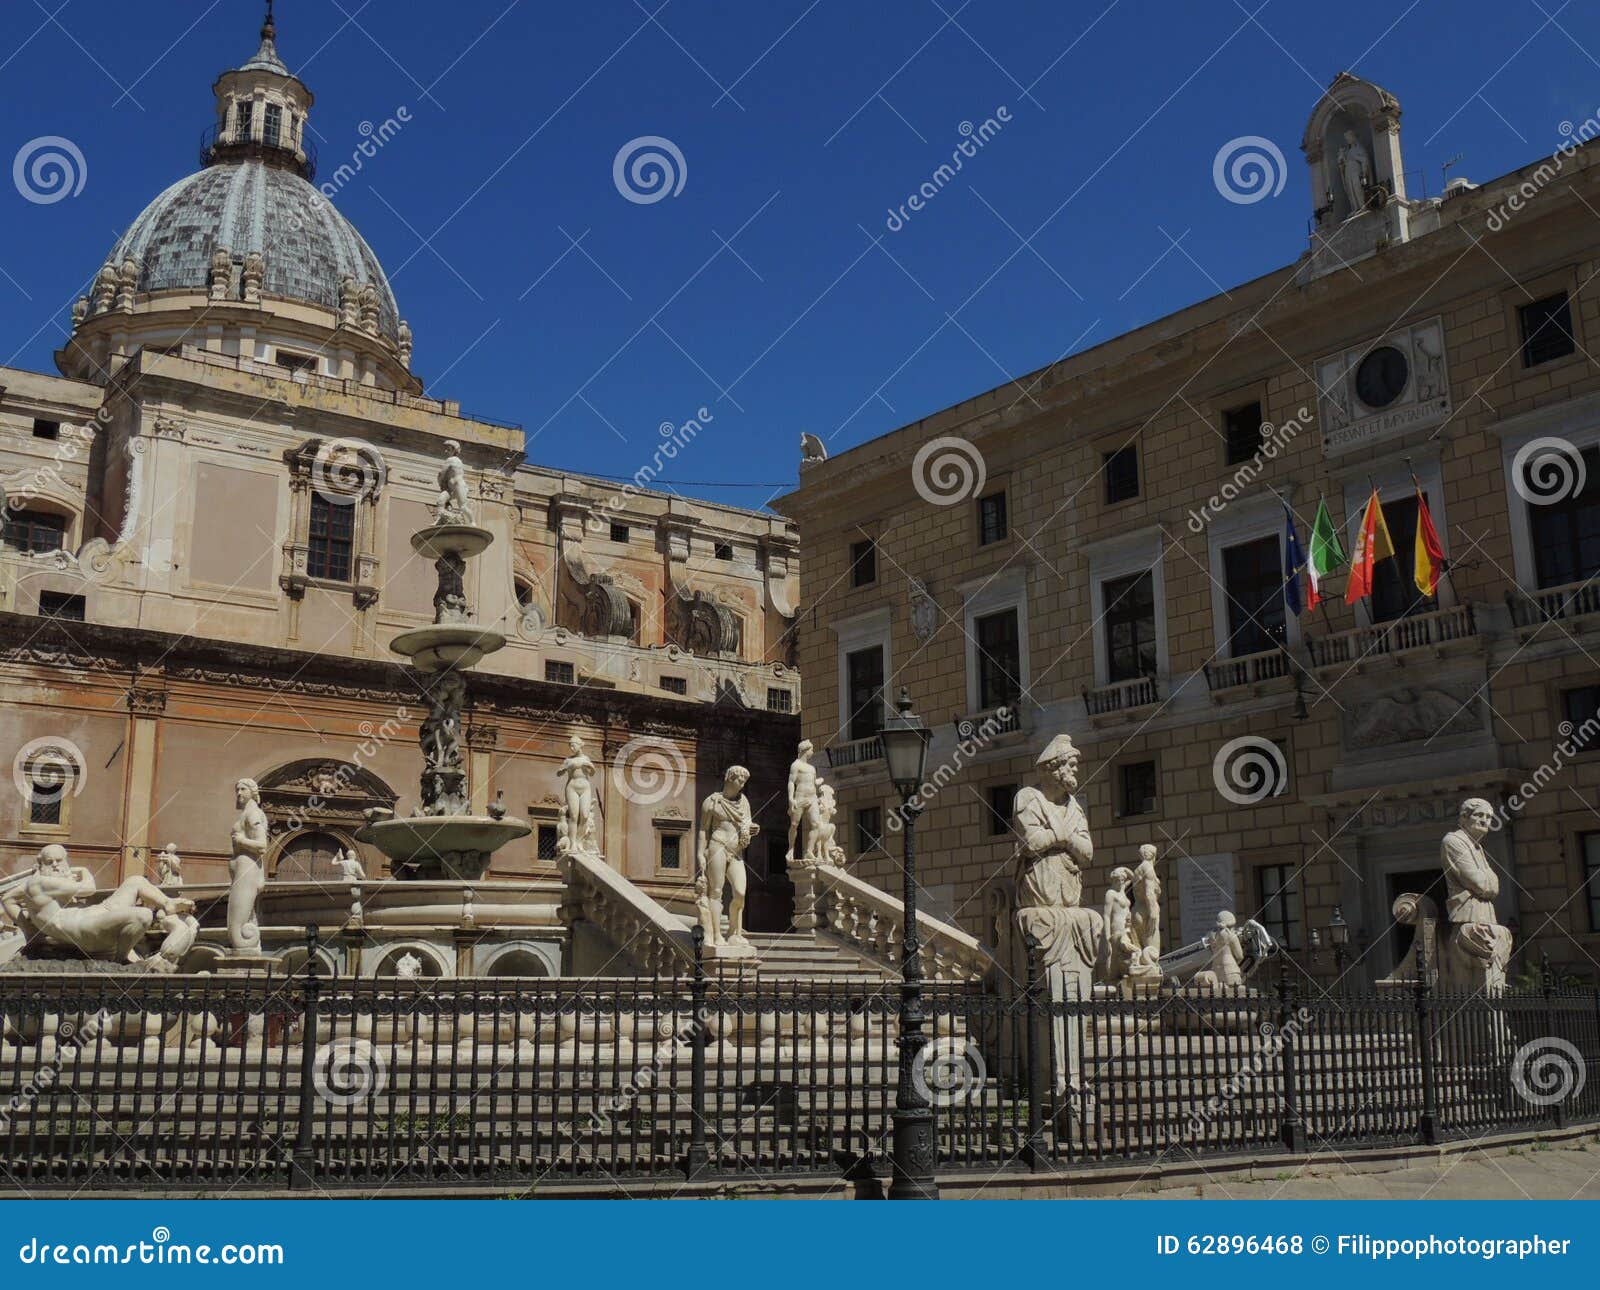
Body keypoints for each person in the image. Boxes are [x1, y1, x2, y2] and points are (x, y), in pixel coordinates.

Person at [11, 844, 197, 970]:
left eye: (59, 861)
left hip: (92, 915)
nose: (56, 866)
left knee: (135, 881)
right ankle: (120, 960)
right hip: (83, 930)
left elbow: (8, 898)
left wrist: (30, 933)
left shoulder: (35, 884)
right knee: (143, 915)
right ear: (40, 863)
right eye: (49, 862)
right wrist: (83, 871)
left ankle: (168, 903)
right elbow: (89, 888)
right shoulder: (40, 882)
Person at [697, 766, 760, 947]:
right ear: (729, 779)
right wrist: (700, 854)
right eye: (739, 781)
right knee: (716, 891)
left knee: (740, 893)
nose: (741, 785)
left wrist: (752, 829)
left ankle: (734, 933)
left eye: (744, 782)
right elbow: (703, 830)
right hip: (717, 846)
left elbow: (747, 825)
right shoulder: (712, 802)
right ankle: (716, 935)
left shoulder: (744, 802)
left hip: (736, 851)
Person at [229, 778, 269, 952]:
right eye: (237, 790)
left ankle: (246, 951)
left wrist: (241, 840)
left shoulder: (253, 814)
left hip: (247, 867)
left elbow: (262, 846)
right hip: (243, 868)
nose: (238, 793)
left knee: (238, 930)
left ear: (252, 792)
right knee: (245, 918)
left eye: (243, 789)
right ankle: (253, 949)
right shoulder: (246, 813)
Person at [557, 733, 598, 855]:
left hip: (585, 787)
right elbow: (558, 773)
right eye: (570, 746)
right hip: (572, 787)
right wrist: (567, 766)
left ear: (580, 745)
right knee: (574, 816)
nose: (572, 748)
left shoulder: (586, 759)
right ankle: (573, 843)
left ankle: (580, 841)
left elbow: (592, 774)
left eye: (573, 745)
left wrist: (590, 766)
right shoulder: (568, 760)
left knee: (585, 815)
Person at [785, 740, 818, 862]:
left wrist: (818, 783)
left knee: (816, 824)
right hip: (800, 797)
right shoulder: (796, 765)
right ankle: (791, 848)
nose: (813, 752)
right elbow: (791, 782)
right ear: (805, 750)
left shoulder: (812, 768)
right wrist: (790, 799)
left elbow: (814, 783)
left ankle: (809, 851)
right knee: (794, 825)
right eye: (811, 749)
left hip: (812, 797)